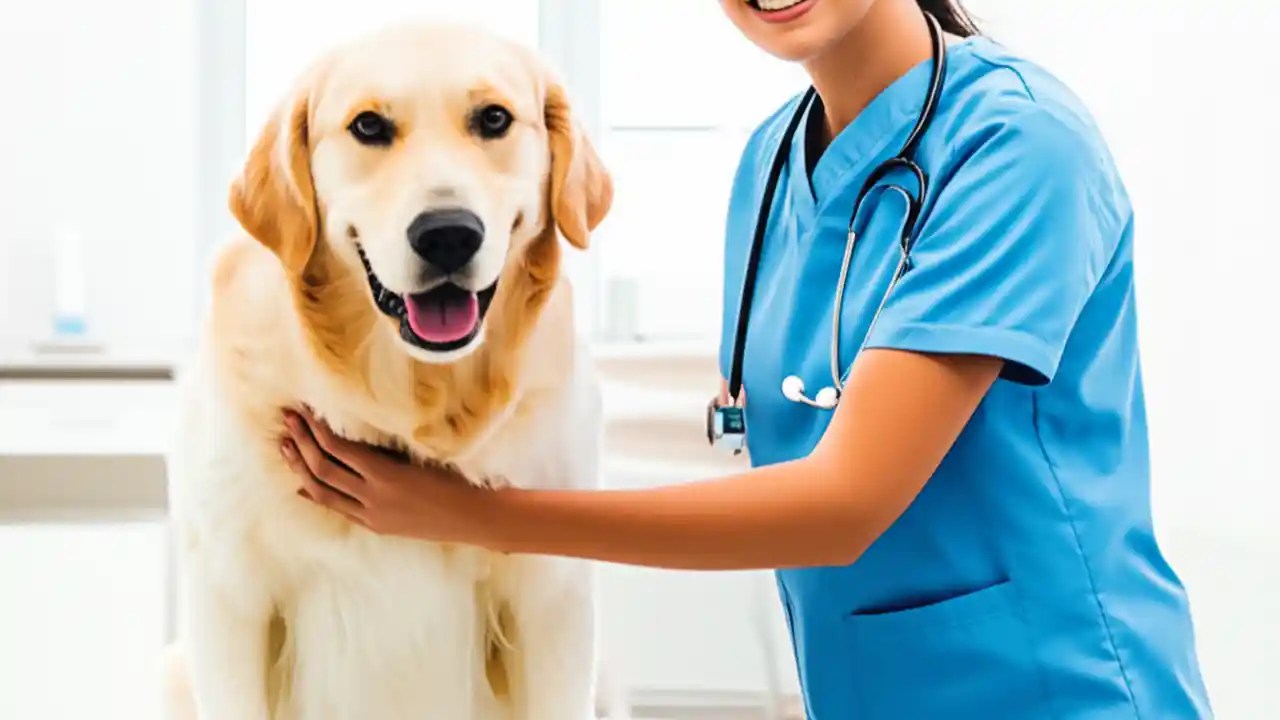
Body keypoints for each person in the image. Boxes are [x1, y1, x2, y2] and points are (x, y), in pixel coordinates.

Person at [278, 0, 1213, 716]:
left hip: (1062, 693)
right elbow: (772, 418)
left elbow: (842, 503)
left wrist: (473, 517)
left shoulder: (1018, 144)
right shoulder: (772, 163)